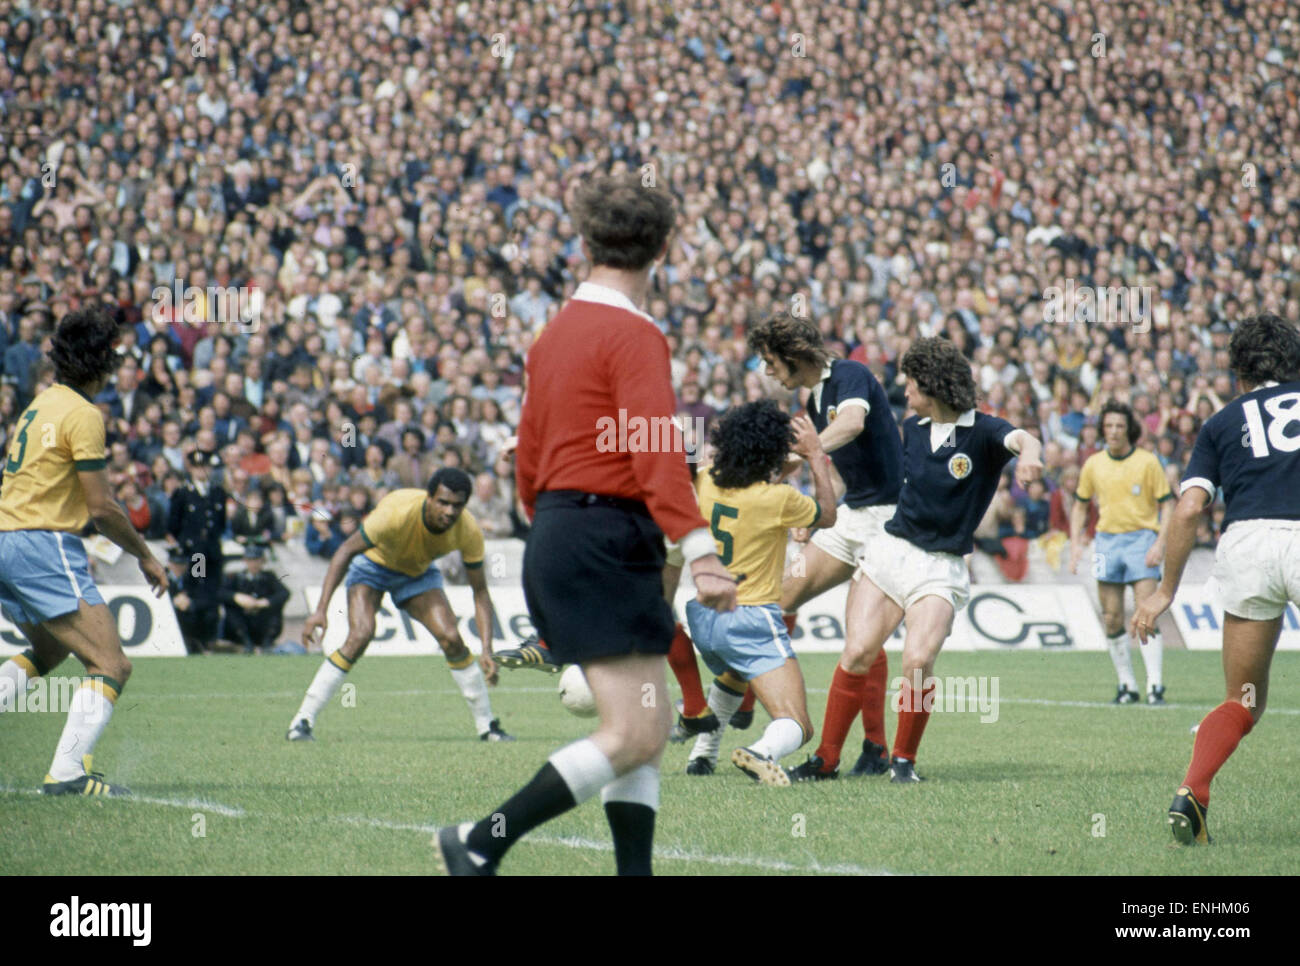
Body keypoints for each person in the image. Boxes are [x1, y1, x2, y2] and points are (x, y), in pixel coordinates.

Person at [434, 172, 736, 877]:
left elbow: (530, 463)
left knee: (648, 728)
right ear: (662, 247)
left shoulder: (553, 336)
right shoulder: (633, 334)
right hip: (604, 534)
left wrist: (559, 535)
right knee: (633, 730)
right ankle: (481, 839)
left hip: (567, 531)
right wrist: (699, 548)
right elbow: (655, 448)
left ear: (584, 240)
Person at [832, 336, 1042, 783]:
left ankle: (903, 762)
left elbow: (1026, 440)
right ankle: (825, 760)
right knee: (856, 652)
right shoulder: (911, 429)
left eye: (911, 383)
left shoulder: (984, 432)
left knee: (918, 659)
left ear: (933, 385)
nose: (905, 392)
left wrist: (1031, 460)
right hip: (893, 552)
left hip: (940, 566)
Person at [1132, 314, 1300, 845]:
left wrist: (1164, 592)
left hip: (1246, 545)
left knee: (1243, 698)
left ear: (1239, 375)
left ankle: (1194, 791)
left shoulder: (1222, 422)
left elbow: (1186, 512)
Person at [0, 306, 168, 795]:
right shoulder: (83, 415)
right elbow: (103, 509)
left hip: (6, 538)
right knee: (111, 664)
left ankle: (68, 772)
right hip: (43, 542)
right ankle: (68, 774)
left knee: (48, 649)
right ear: (101, 364)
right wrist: (145, 555)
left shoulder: (40, 404)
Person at [747, 309, 904, 780]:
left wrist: (808, 450)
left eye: (771, 360)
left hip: (888, 521)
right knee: (781, 595)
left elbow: (853, 424)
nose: (768, 369)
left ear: (795, 355)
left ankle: (849, 754)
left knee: (860, 637)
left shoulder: (850, 374)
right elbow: (832, 462)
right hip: (853, 514)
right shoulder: (812, 396)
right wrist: (811, 511)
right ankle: (755, 696)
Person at [287, 467, 510, 741]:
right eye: (443, 502)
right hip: (373, 566)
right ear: (429, 498)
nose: (450, 512)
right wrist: (320, 610)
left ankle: (487, 727)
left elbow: (481, 592)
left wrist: (487, 649)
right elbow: (345, 550)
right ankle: (301, 722)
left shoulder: (468, 530)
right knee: (360, 635)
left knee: (452, 638)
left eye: (457, 505)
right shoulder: (396, 512)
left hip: (417, 574)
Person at [682, 400, 838, 783]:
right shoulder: (779, 500)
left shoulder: (704, 479)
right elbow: (828, 514)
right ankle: (760, 751)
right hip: (750, 616)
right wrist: (816, 455)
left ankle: (703, 752)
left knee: (736, 673)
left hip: (703, 617)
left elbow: (760, 476)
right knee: (798, 723)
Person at [1069, 401, 1173, 704]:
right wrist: (1076, 543)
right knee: (1112, 616)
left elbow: (1167, 504)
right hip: (1106, 543)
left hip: (1141, 540)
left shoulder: (1147, 462)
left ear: (1129, 429)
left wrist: (1159, 542)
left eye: (1119, 426)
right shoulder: (1093, 464)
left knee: (1145, 612)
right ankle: (1127, 685)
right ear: (1102, 430)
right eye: (1109, 426)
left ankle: (1155, 685)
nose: (1113, 432)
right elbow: (1079, 504)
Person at [167, 448, 228, 591]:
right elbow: (173, 524)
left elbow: (221, 522)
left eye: (205, 466)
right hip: (195, 551)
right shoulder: (183, 493)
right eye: (198, 466)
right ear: (191, 469)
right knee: (197, 587)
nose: (202, 470)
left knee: (214, 588)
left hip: (213, 550)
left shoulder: (218, 492)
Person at [222, 543, 290, 653]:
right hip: (242, 622)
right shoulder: (235, 577)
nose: (253, 564)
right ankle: (245, 642)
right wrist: (237, 597)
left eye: (256, 560)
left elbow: (284, 593)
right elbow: (221, 593)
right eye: (250, 560)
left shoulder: (269, 577)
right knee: (231, 609)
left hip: (262, 621)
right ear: (245, 561)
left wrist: (264, 602)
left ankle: (266, 643)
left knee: (276, 608)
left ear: (262, 561)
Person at [166, 545, 222, 654]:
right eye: (175, 564)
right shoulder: (162, 578)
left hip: (191, 614)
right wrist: (174, 602)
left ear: (187, 565)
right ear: (169, 564)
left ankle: (202, 644)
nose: (178, 567)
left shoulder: (194, 579)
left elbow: (205, 597)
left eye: (181, 564)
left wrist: (190, 603)